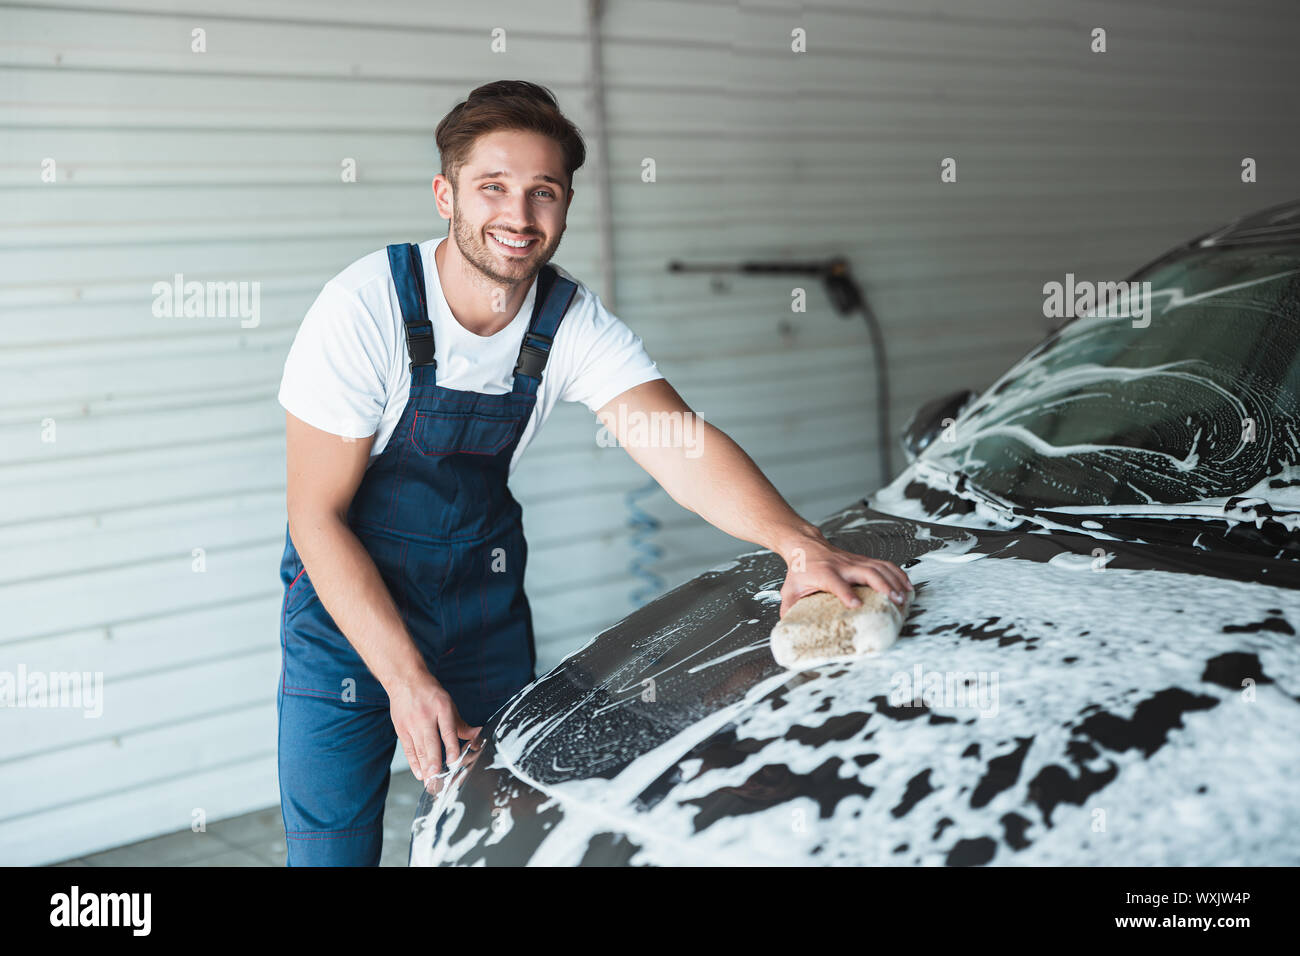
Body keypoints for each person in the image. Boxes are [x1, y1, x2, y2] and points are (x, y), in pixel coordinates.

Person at [275, 79, 912, 866]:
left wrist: (800, 546)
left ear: (567, 203)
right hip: (343, 618)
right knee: (331, 849)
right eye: (493, 188)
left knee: (501, 824)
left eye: (543, 192)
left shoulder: (568, 318)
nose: (518, 216)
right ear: (445, 194)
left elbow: (675, 440)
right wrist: (405, 680)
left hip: (479, 605)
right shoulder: (365, 308)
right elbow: (315, 517)